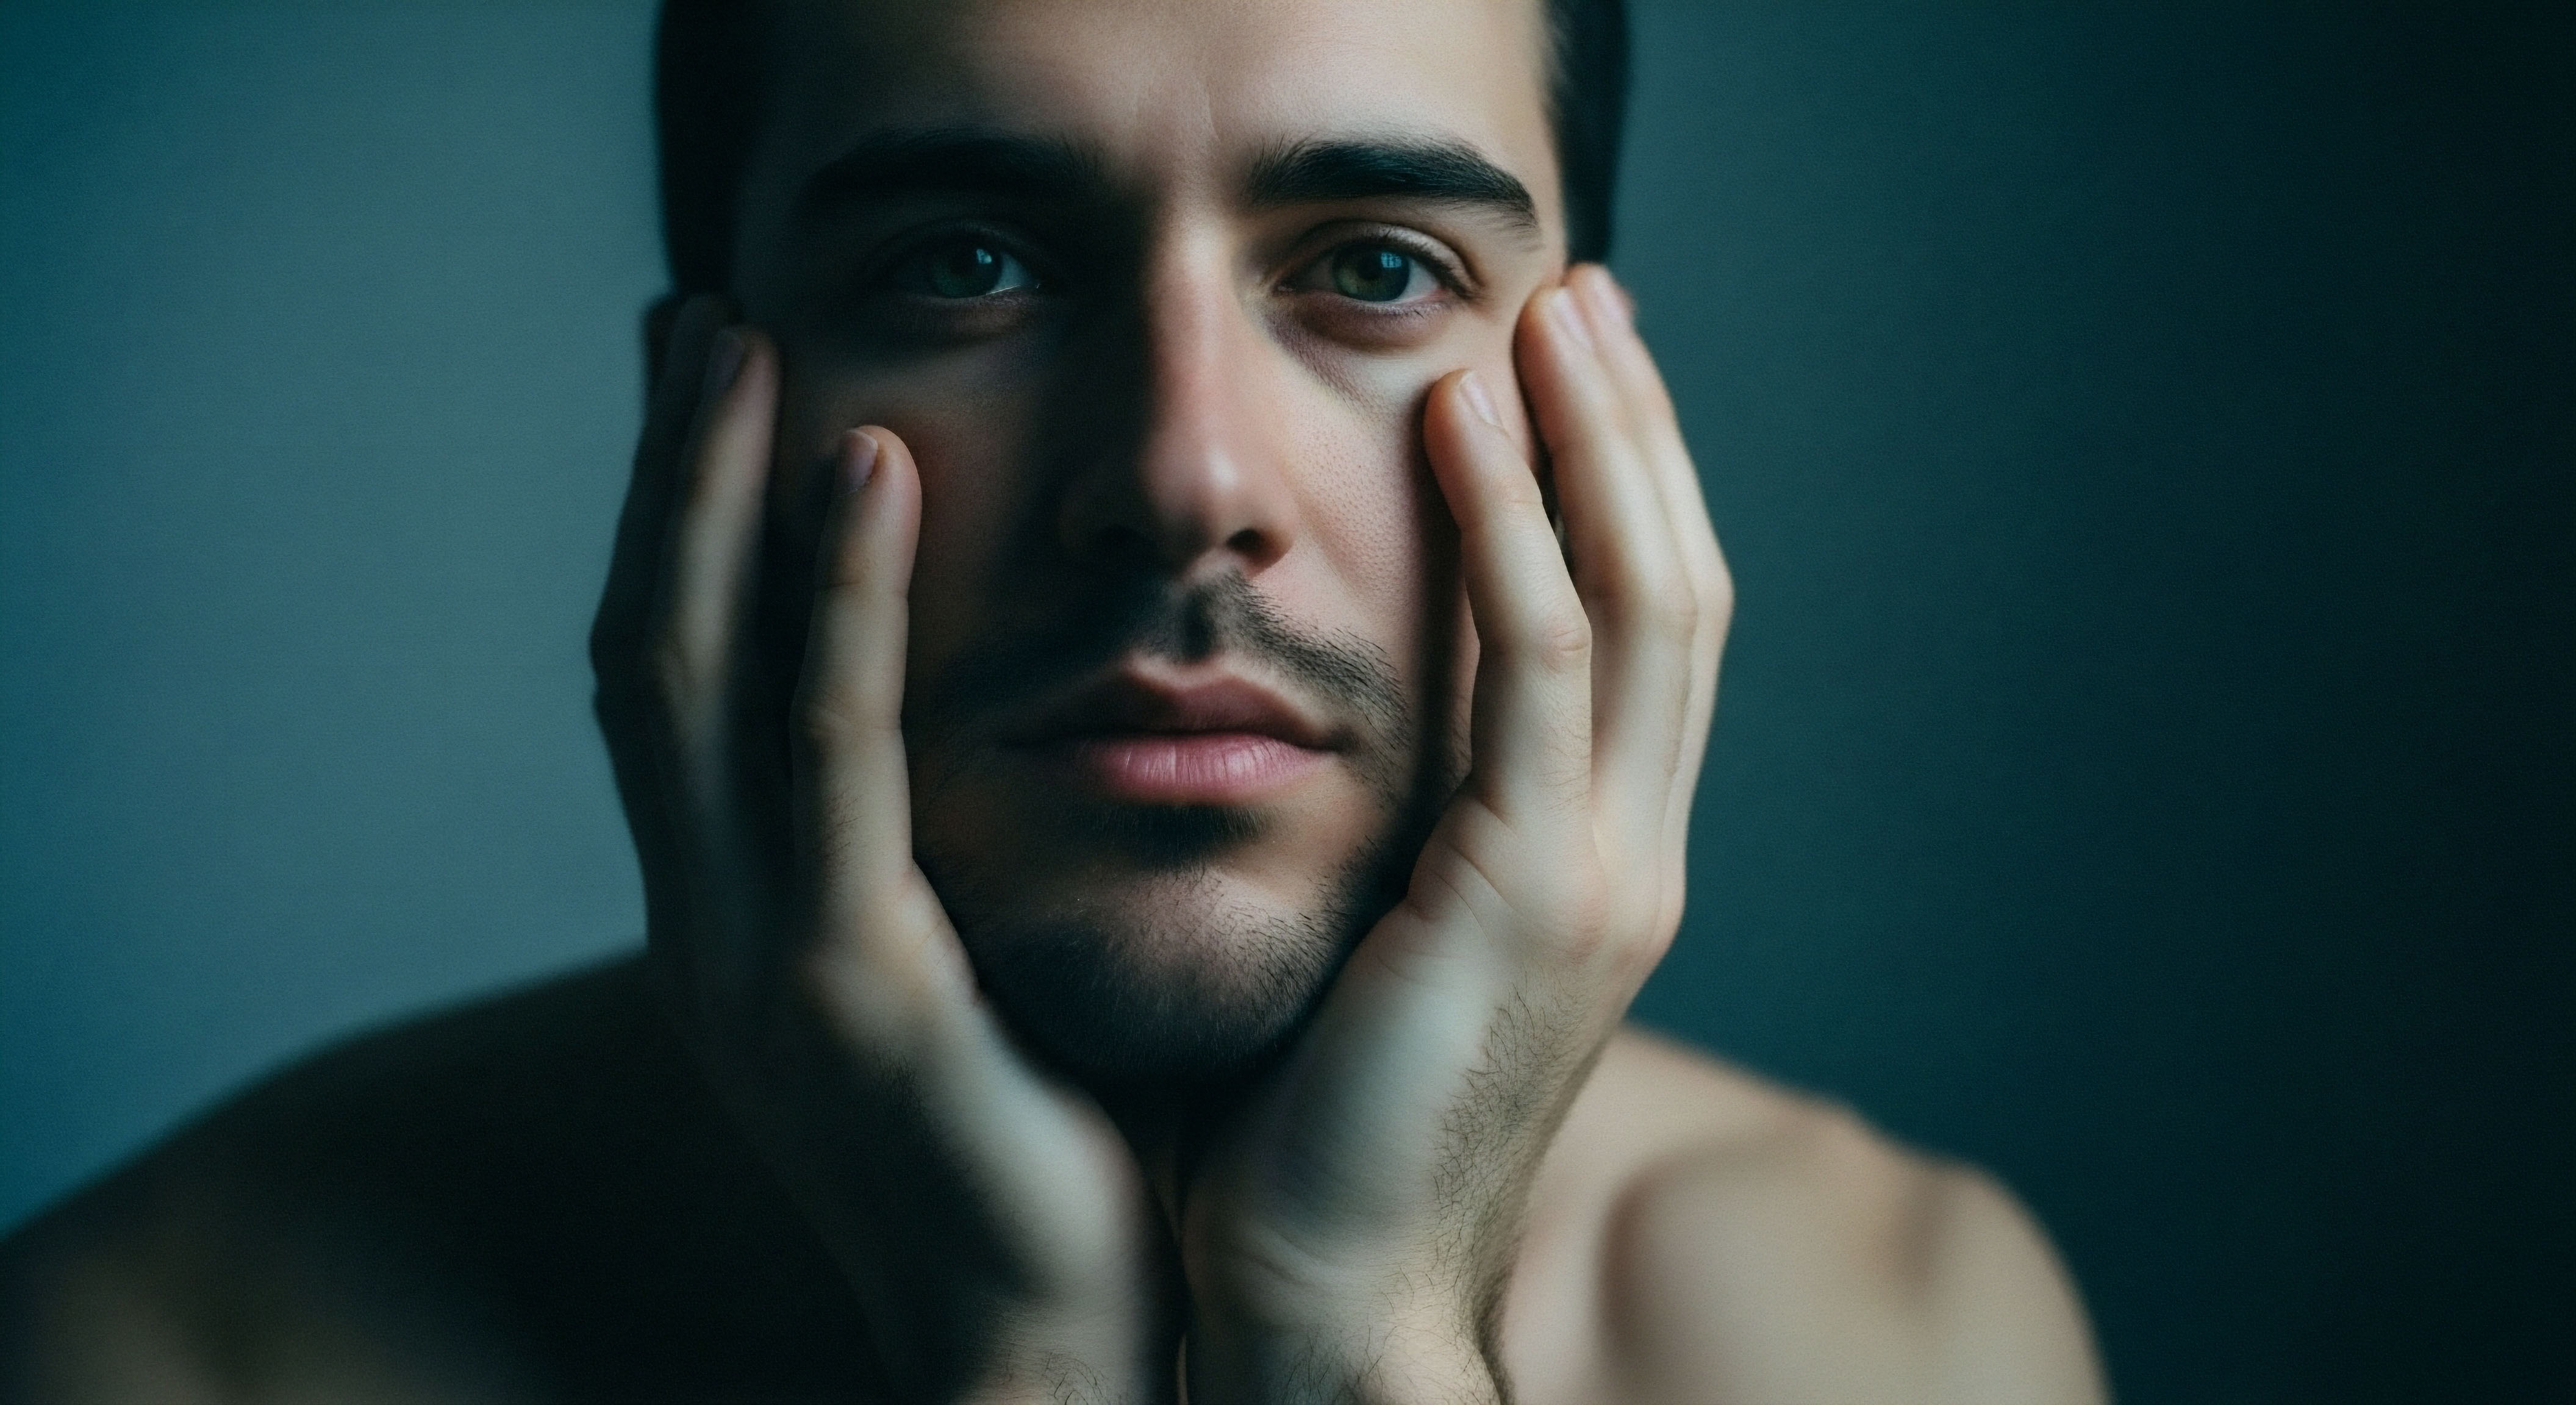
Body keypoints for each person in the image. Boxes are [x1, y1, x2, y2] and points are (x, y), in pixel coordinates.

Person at [0, 1, 2106, 1400]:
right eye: (968, 264)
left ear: (1601, 424)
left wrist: (1354, 1342)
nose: (1184, 478)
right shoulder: (178, 1349)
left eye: (1375, 268)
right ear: (702, 423)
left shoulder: (1886, 1331)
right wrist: (1023, 1361)